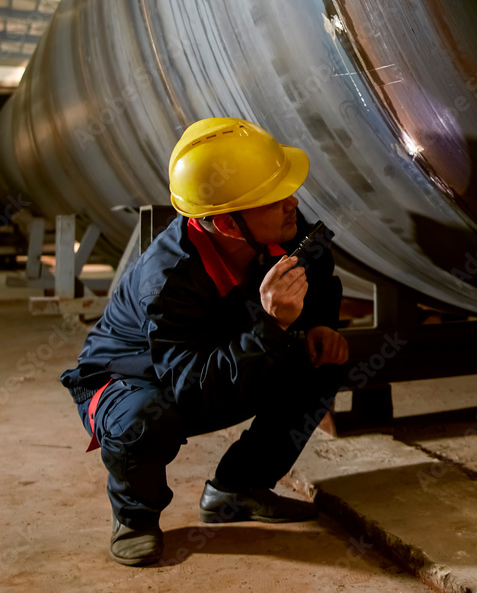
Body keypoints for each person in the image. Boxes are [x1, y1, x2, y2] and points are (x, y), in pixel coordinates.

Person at [60, 118, 348, 566]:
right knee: (145, 420)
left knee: (321, 360)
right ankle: (135, 517)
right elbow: (192, 392)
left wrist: (319, 325)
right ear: (228, 226)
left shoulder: (278, 230)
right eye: (274, 200)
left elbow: (321, 275)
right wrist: (271, 327)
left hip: (208, 365)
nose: (292, 203)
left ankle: (237, 490)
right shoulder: (167, 282)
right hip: (134, 381)